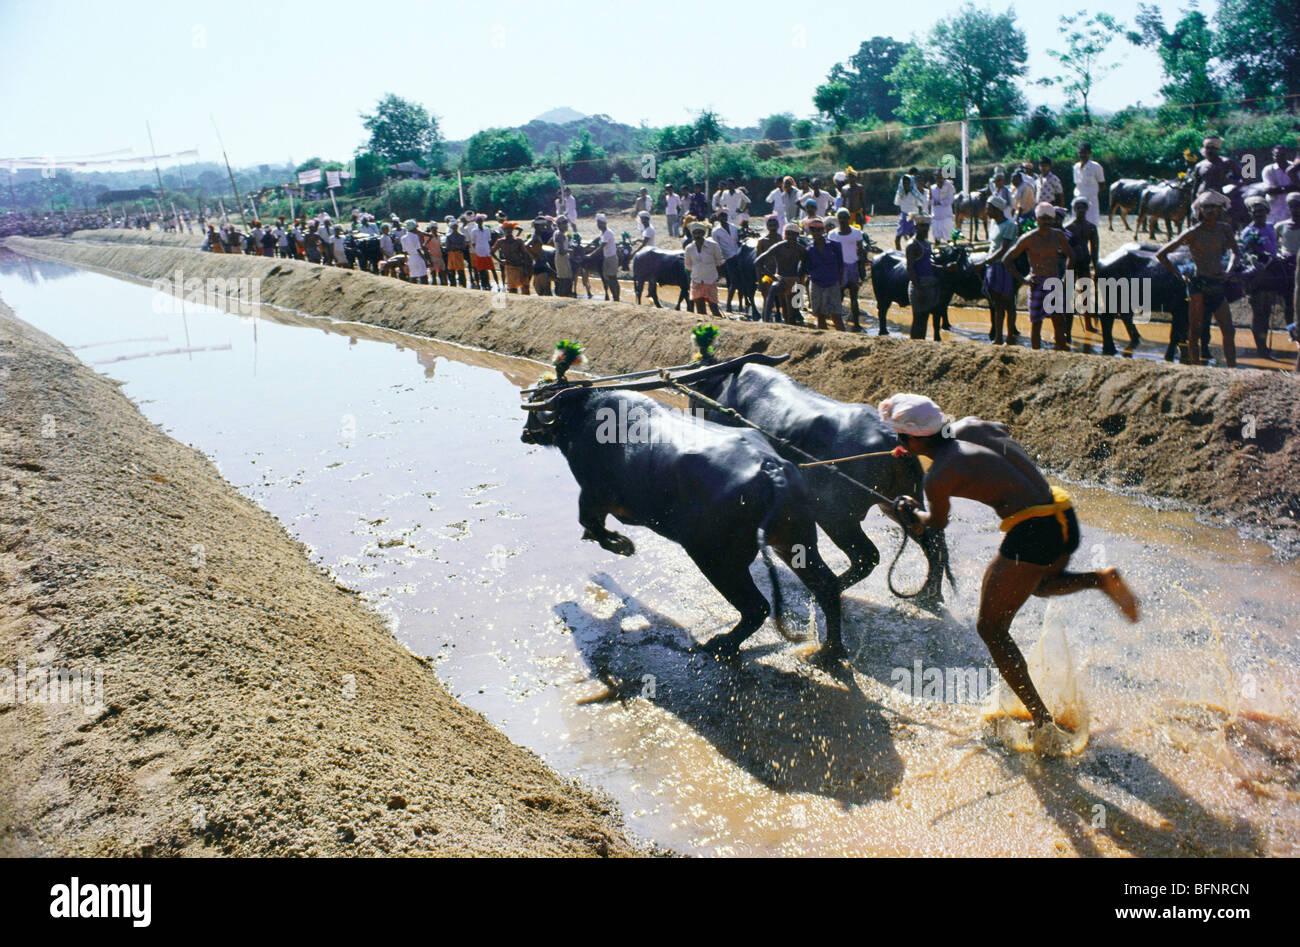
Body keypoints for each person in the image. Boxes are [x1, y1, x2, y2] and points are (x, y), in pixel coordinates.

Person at [883, 393, 1138, 753]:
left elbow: (935, 523)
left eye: (900, 438)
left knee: (990, 628)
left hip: (1033, 532)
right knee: (1041, 587)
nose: (899, 445)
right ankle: (1099, 579)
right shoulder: (971, 426)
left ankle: (1043, 722)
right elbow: (1002, 431)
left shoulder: (939, 476)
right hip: (1061, 513)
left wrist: (908, 514)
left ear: (916, 438)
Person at [1156, 190, 1239, 367]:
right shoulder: (1193, 232)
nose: (1210, 211)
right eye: (1206, 207)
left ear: (1219, 210)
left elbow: (1235, 252)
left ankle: (1233, 370)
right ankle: (1195, 369)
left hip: (1217, 283)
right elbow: (1162, 254)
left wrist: (1229, 270)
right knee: (1195, 331)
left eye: (1213, 207)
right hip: (1198, 285)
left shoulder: (1225, 229)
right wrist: (1179, 274)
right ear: (1199, 210)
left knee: (1229, 330)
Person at [1001, 203, 1073, 351]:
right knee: (1036, 323)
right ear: (1037, 220)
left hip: (1054, 282)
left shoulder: (1058, 236)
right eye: (1043, 219)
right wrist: (1023, 280)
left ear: (1053, 220)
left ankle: (1062, 354)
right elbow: (1007, 259)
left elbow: (1072, 256)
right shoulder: (1028, 238)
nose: (1046, 222)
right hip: (1036, 282)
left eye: (1049, 219)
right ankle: (1036, 356)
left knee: (1059, 321)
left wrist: (1066, 278)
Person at [1238, 197, 1281, 359]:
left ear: (1267, 212)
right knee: (1259, 312)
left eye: (1262, 211)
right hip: (1257, 276)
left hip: (1271, 275)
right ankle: (1261, 349)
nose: (1259, 215)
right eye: (1255, 212)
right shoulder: (1248, 232)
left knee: (1267, 311)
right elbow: (1246, 255)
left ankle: (1264, 350)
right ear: (1250, 213)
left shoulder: (1270, 227)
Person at [981, 196, 1021, 345]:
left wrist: (985, 261)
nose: (986, 211)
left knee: (1009, 303)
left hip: (1005, 267)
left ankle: (1010, 336)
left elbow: (1004, 249)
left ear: (997, 209)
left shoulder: (1010, 225)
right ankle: (998, 338)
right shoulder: (993, 223)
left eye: (988, 208)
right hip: (993, 266)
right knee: (997, 304)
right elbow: (993, 244)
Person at [755, 221, 806, 325]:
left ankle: (791, 324)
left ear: (797, 235)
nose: (791, 237)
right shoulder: (779, 246)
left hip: (794, 280)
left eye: (793, 234)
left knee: (791, 311)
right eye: (788, 234)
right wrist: (773, 277)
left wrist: (800, 278)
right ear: (785, 234)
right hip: (780, 278)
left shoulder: (800, 249)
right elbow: (758, 262)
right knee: (772, 291)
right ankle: (766, 322)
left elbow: (808, 264)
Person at [827, 208, 867, 333]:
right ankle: (839, 324)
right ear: (837, 219)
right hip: (839, 268)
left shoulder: (856, 233)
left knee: (854, 297)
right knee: (839, 297)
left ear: (849, 218)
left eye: (845, 217)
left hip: (853, 267)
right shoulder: (832, 234)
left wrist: (862, 269)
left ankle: (856, 323)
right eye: (841, 217)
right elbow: (830, 253)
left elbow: (861, 251)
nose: (843, 220)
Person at [802, 218, 845, 331]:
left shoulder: (835, 246)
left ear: (824, 230)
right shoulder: (808, 250)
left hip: (832, 283)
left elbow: (841, 265)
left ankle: (843, 340)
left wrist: (839, 283)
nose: (816, 232)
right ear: (809, 231)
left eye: (819, 229)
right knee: (820, 315)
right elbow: (806, 268)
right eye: (813, 229)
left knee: (836, 315)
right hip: (816, 284)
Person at [905, 213, 943, 340]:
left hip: (930, 285)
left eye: (927, 226)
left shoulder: (927, 243)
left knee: (924, 317)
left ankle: (920, 342)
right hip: (920, 286)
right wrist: (918, 289)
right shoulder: (912, 245)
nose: (925, 229)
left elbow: (929, 265)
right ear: (915, 227)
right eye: (922, 226)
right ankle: (915, 343)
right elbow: (910, 268)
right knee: (918, 319)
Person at [684, 220, 725, 317]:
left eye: (700, 233)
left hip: (710, 280)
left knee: (714, 307)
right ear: (692, 234)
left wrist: (717, 276)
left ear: (704, 233)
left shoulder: (713, 246)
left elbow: (719, 262)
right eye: (695, 233)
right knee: (700, 309)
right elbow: (688, 265)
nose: (697, 235)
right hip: (696, 280)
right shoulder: (689, 248)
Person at [711, 210, 742, 313]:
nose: (723, 218)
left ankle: (741, 304)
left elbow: (738, 241)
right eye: (721, 216)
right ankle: (729, 305)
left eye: (725, 216)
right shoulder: (716, 231)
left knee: (742, 279)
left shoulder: (734, 228)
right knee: (733, 281)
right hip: (727, 258)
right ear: (718, 218)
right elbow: (716, 246)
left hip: (738, 255)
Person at [1072, 142, 1105, 227]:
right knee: (1077, 224)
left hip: (1091, 200)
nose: (1082, 155)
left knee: (1091, 224)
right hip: (1078, 199)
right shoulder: (1076, 167)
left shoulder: (1096, 166)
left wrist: (1093, 194)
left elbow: (1102, 184)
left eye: (1084, 152)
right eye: (1080, 152)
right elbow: (1077, 184)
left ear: (1089, 153)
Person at [493, 222, 532, 294]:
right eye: (506, 229)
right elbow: (492, 252)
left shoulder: (518, 241)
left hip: (520, 266)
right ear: (504, 230)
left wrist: (526, 268)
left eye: (510, 229)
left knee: (525, 287)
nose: (508, 231)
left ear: (512, 230)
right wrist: (500, 261)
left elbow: (525, 254)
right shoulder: (501, 241)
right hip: (510, 267)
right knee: (512, 289)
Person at [1262, 146, 1296, 225]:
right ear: (1273, 156)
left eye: (1282, 155)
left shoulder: (1294, 168)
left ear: (1287, 154)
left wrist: (1279, 189)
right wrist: (1290, 188)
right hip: (1275, 209)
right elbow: (1269, 190)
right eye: (1277, 155)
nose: (1280, 157)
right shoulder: (1269, 170)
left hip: (1294, 209)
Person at [591, 213, 620, 301]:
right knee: (610, 279)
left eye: (600, 223)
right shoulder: (603, 233)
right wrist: (590, 243)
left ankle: (616, 297)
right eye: (598, 223)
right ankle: (615, 297)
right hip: (607, 258)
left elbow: (602, 246)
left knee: (612, 278)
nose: (598, 225)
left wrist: (591, 255)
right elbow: (598, 238)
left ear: (604, 223)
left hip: (611, 258)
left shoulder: (607, 233)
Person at [894, 173, 926, 250]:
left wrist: (920, 219)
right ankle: (899, 253)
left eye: (907, 182)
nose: (906, 184)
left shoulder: (914, 193)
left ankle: (913, 253)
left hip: (912, 217)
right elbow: (897, 204)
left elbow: (919, 206)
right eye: (904, 182)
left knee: (912, 239)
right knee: (897, 239)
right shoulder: (900, 193)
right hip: (903, 217)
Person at [467, 214, 495, 290]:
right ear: (476, 221)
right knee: (481, 269)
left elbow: (489, 240)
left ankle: (488, 283)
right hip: (479, 250)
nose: (479, 222)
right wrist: (476, 249)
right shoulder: (474, 231)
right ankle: (484, 283)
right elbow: (473, 242)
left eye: (481, 220)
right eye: (478, 221)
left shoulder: (487, 229)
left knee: (488, 267)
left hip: (486, 250)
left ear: (483, 221)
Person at [929, 171, 956, 245]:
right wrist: (937, 202)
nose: (939, 178)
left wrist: (938, 202)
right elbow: (930, 201)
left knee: (949, 240)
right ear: (935, 177)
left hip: (946, 217)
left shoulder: (949, 187)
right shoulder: (932, 188)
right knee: (937, 240)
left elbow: (950, 200)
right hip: (936, 217)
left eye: (941, 176)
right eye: (937, 176)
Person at [400, 219, 430, 284]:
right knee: (423, 276)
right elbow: (418, 249)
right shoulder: (415, 236)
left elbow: (405, 251)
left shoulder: (403, 238)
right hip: (418, 257)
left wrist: (406, 261)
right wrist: (425, 260)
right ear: (413, 228)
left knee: (413, 276)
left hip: (410, 258)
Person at [552, 216, 575, 297]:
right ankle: (564, 295)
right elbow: (562, 251)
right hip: (561, 258)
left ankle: (564, 294)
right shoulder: (559, 234)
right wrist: (571, 251)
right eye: (564, 224)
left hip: (562, 257)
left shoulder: (559, 234)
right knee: (565, 278)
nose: (566, 226)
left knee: (565, 277)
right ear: (559, 224)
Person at [443, 221, 468, 288]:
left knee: (460, 271)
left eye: (455, 226)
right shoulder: (449, 237)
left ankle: (462, 284)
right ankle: (453, 284)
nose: (454, 228)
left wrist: (454, 246)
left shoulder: (461, 236)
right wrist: (458, 246)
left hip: (458, 254)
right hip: (452, 254)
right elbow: (448, 247)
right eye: (453, 227)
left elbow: (464, 246)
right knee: (452, 271)